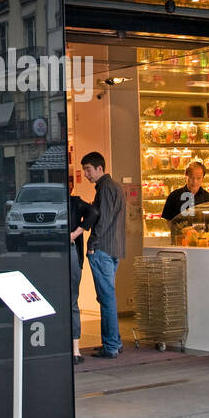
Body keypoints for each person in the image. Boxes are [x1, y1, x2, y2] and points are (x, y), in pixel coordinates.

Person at [75, 151, 125, 359]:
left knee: (106, 298)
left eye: (88, 169)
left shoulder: (105, 188)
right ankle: (114, 341)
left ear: (99, 168)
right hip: (114, 248)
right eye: (84, 169)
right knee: (108, 296)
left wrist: (92, 244)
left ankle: (111, 345)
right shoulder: (114, 187)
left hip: (102, 249)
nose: (86, 174)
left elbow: (102, 220)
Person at [68, 186, 92, 364]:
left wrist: (75, 233)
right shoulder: (74, 202)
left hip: (70, 255)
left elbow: (94, 212)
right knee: (72, 302)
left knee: (71, 302)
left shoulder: (75, 202)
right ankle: (74, 350)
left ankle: (75, 349)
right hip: (70, 255)